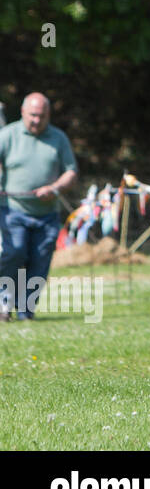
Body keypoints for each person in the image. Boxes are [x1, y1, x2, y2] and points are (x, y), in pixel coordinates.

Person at [0, 93, 78, 321]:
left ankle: (26, 311)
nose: (36, 120)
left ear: (48, 115)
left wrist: (54, 188)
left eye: (41, 116)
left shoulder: (58, 138)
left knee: (39, 260)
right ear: (23, 112)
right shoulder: (8, 135)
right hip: (13, 209)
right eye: (32, 115)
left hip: (47, 214)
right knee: (14, 252)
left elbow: (71, 172)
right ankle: (3, 303)